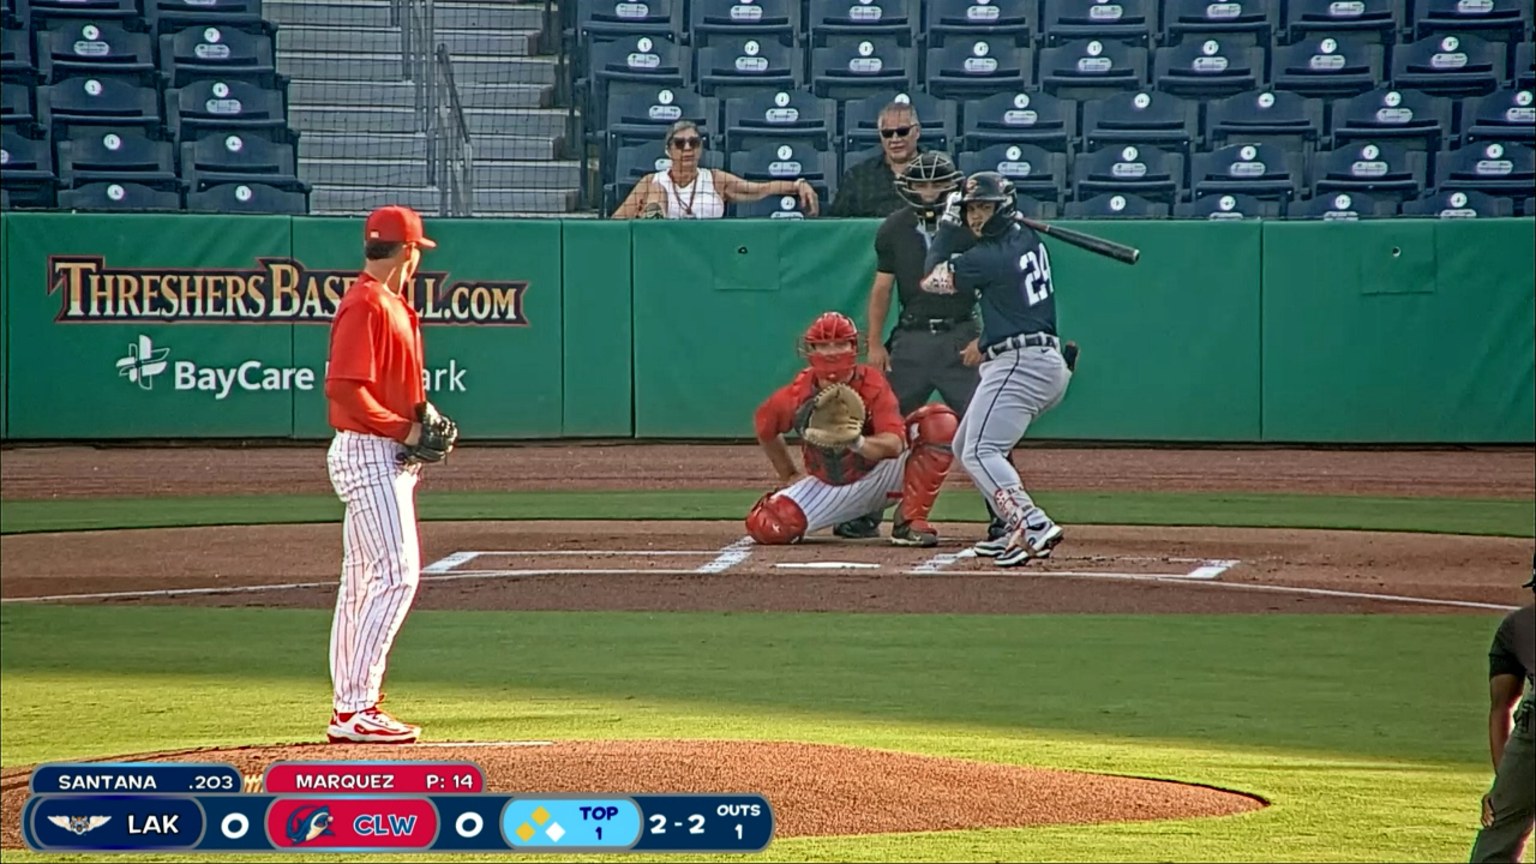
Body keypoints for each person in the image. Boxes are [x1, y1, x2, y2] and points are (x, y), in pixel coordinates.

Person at [322, 204, 456, 744]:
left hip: (383, 453)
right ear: (408, 252)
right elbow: (343, 390)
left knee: (361, 582)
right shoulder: (365, 303)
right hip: (370, 453)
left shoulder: (390, 303)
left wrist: (423, 415)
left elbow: (395, 386)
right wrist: (404, 429)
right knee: (397, 575)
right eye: (418, 250)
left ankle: (348, 707)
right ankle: (358, 706)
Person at [834, 152, 1010, 543]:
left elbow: (997, 287)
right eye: (921, 184)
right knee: (883, 427)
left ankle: (1005, 514)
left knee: (985, 428)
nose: (929, 191)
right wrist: (875, 343)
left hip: (959, 335)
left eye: (936, 183)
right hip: (911, 336)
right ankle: (864, 512)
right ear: (908, 187)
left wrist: (984, 339)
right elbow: (882, 289)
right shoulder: (894, 228)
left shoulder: (970, 226)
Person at [920, 171, 1071, 567]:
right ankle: (1009, 525)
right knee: (965, 446)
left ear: (1003, 209)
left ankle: (1031, 522)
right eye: (970, 208)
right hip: (1032, 358)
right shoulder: (1025, 238)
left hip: (1022, 364)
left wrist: (947, 227)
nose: (974, 216)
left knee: (980, 450)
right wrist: (987, 341)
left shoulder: (990, 257)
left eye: (984, 207)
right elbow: (1011, 303)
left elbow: (931, 279)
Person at [744, 311, 958, 547]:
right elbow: (765, 428)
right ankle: (856, 518)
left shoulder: (872, 383)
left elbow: (895, 444)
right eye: (823, 345)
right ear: (811, 350)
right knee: (767, 525)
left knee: (939, 421)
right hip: (831, 484)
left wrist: (857, 442)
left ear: (854, 347)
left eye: (840, 344)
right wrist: (790, 475)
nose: (832, 352)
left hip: (881, 473)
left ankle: (909, 521)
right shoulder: (797, 395)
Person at [610, 120, 820, 219]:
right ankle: (654, 227)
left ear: (701, 148)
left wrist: (797, 185)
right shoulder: (650, 182)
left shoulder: (716, 179)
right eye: (680, 144)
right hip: (664, 250)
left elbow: (759, 189)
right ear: (668, 150)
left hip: (707, 251)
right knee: (657, 192)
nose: (687, 149)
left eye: (694, 143)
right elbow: (617, 222)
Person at [1469, 556, 1535, 863]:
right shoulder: (1516, 629)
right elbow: (1501, 709)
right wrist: (1504, 788)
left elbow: (1501, 707)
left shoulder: (1517, 627)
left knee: (1496, 847)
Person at [828, 100, 924, 218]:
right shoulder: (857, 177)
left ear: (917, 132)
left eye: (902, 132)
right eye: (887, 133)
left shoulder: (938, 172)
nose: (895, 139)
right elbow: (837, 222)